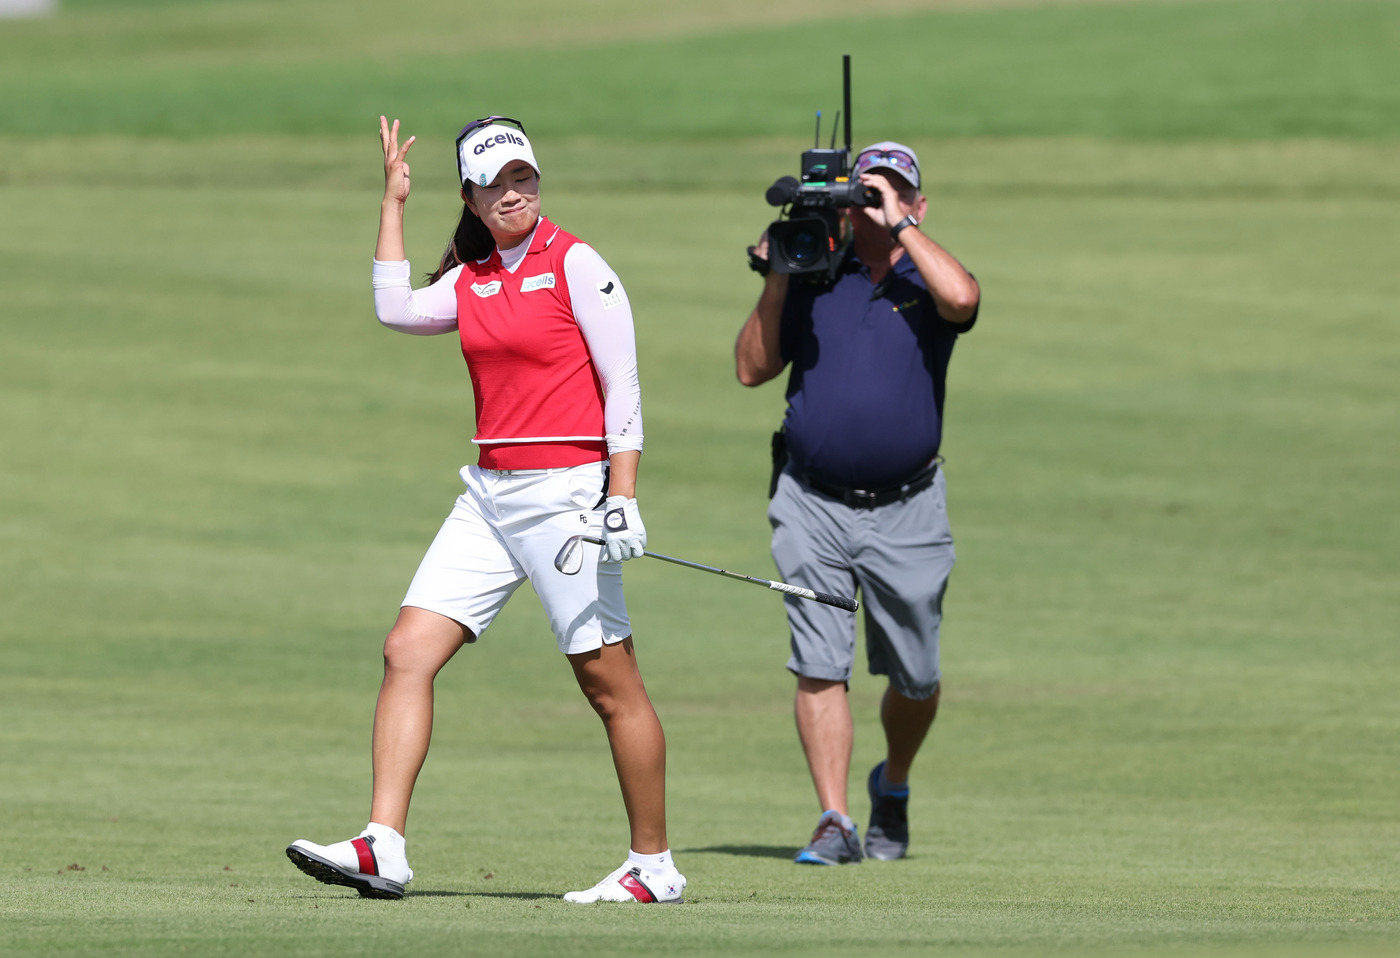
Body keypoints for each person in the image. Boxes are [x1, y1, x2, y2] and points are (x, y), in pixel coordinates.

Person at [285, 115, 685, 904]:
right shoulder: (473, 279)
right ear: (469, 196)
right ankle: (384, 846)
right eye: (496, 184)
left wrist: (623, 493)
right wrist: (393, 203)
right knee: (407, 650)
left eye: (523, 177)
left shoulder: (576, 263)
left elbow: (624, 384)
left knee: (609, 683)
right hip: (490, 495)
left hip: (568, 495)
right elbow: (396, 308)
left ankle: (654, 866)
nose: (514, 193)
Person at [734, 141, 980, 865]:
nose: (875, 200)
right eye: (865, 191)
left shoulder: (926, 276)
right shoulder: (815, 270)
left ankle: (892, 783)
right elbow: (751, 369)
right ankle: (835, 819)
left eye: (894, 189)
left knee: (916, 675)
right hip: (810, 499)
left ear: (917, 202)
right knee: (819, 661)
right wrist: (780, 273)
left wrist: (896, 225)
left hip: (908, 506)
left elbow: (963, 300)